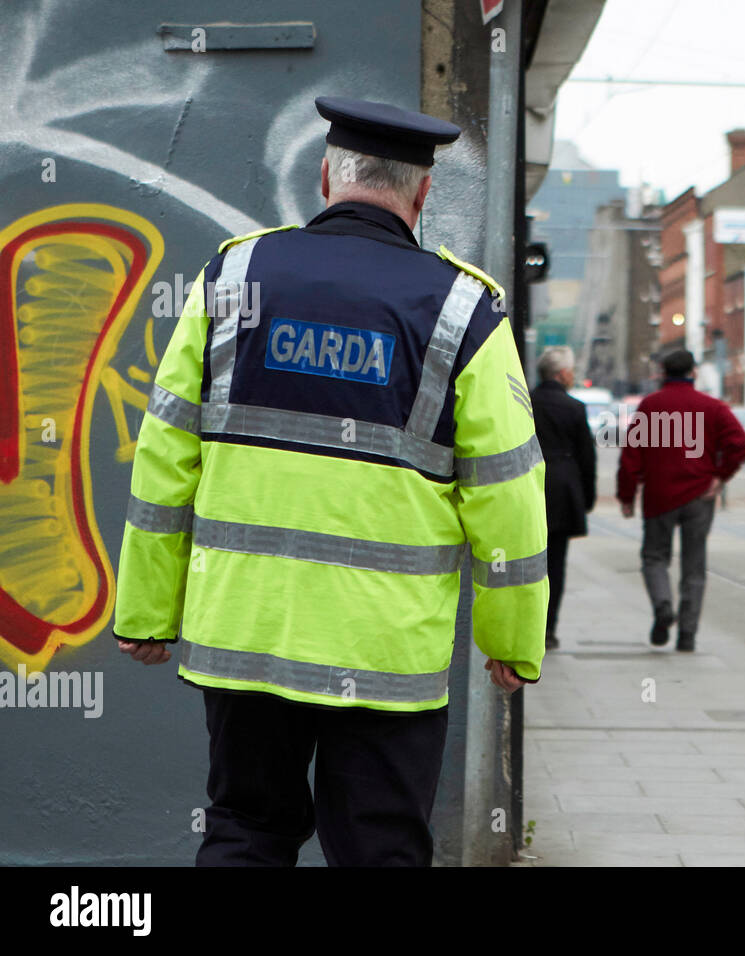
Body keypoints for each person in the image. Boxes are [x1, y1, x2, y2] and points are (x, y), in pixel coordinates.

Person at [113, 95, 548, 867]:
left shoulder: (233, 274)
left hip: (246, 635)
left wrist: (147, 610)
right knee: (379, 849)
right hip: (384, 653)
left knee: (245, 831)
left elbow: (166, 451)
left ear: (325, 177)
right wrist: (510, 637)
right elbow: (507, 488)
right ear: (422, 194)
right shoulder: (462, 309)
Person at [616, 350, 745, 652]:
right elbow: (739, 443)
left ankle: (663, 606)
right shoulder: (712, 407)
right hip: (699, 496)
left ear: (662, 372)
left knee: (654, 558)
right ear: (694, 372)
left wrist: (627, 496)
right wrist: (720, 476)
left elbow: (631, 456)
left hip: (659, 496)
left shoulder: (650, 406)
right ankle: (687, 635)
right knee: (694, 566)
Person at [530, 346, 596, 649]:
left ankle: (527, 626)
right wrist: (587, 497)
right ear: (561, 374)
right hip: (563, 490)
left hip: (530, 487)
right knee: (556, 564)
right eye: (570, 371)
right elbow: (587, 458)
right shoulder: (574, 408)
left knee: (528, 561)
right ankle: (548, 629)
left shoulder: (525, 400)